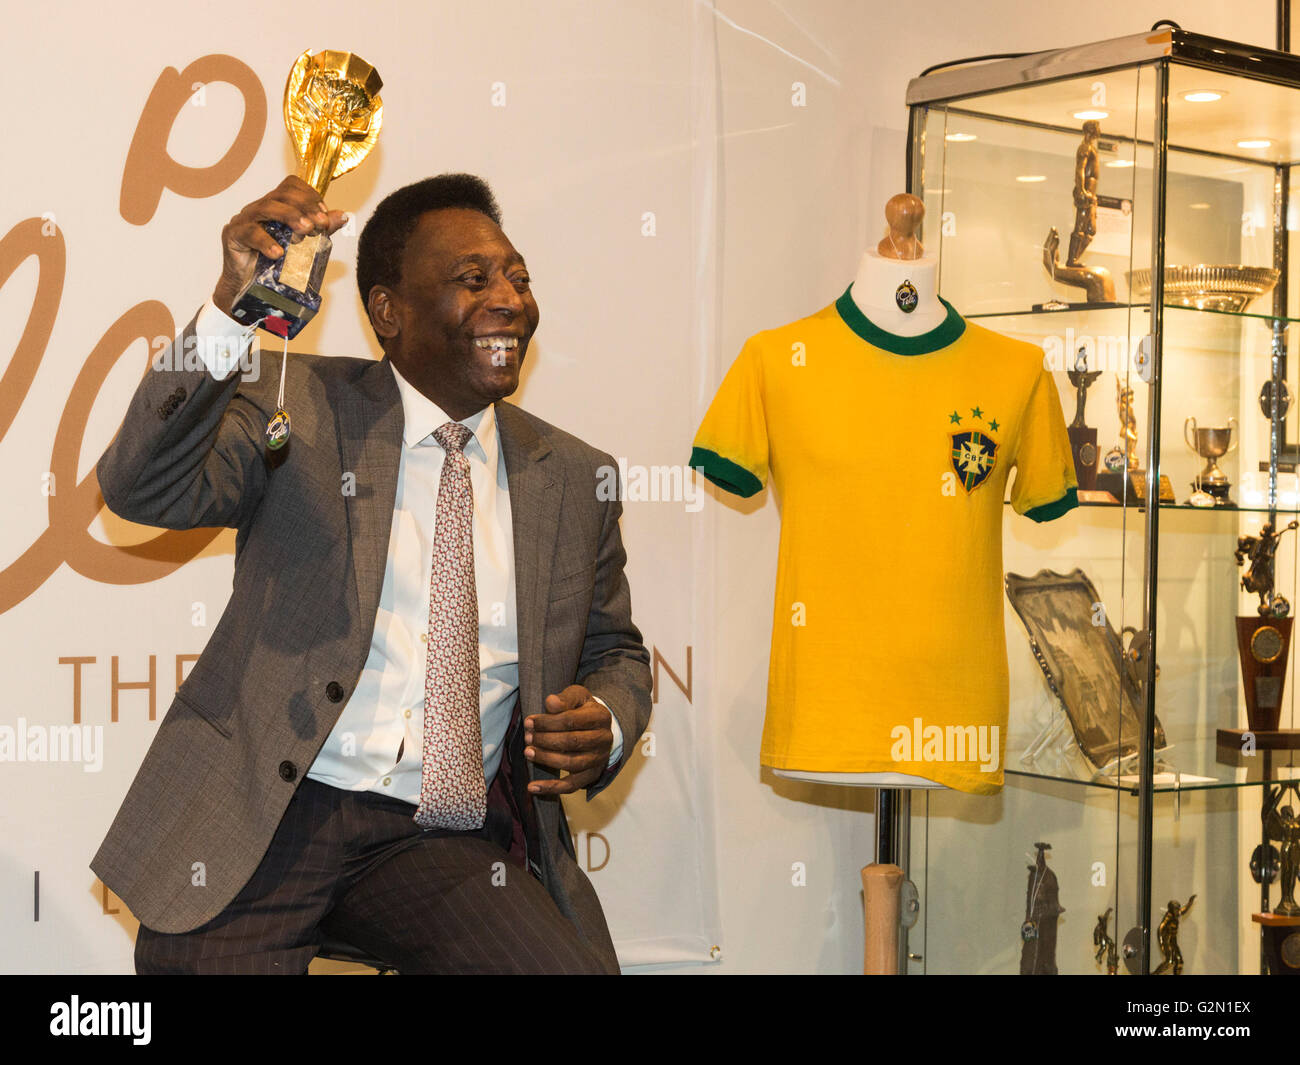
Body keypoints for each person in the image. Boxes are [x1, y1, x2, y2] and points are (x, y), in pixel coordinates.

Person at [90, 172, 653, 974]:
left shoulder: (571, 474)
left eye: (518, 277)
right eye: (474, 279)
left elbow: (618, 651)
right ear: (389, 312)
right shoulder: (302, 407)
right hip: (274, 813)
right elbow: (141, 486)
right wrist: (230, 309)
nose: (510, 299)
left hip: (441, 836)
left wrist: (607, 712)